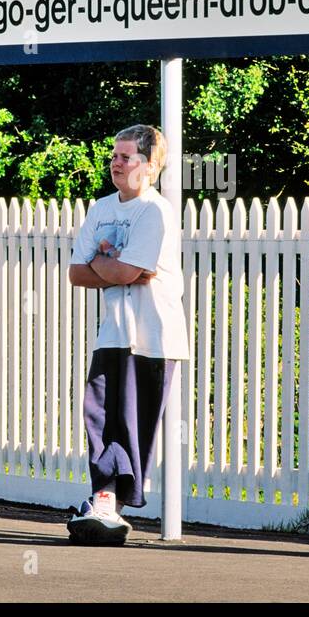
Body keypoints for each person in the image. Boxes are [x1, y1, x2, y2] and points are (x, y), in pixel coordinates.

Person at [65, 124, 190, 545]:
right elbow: (76, 274)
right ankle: (104, 502)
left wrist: (108, 262)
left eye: (126, 157)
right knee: (98, 413)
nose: (116, 163)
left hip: (153, 336)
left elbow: (117, 270)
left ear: (150, 167)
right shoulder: (101, 208)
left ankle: (111, 505)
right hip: (112, 334)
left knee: (132, 423)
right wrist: (114, 264)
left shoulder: (155, 212)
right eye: (114, 156)